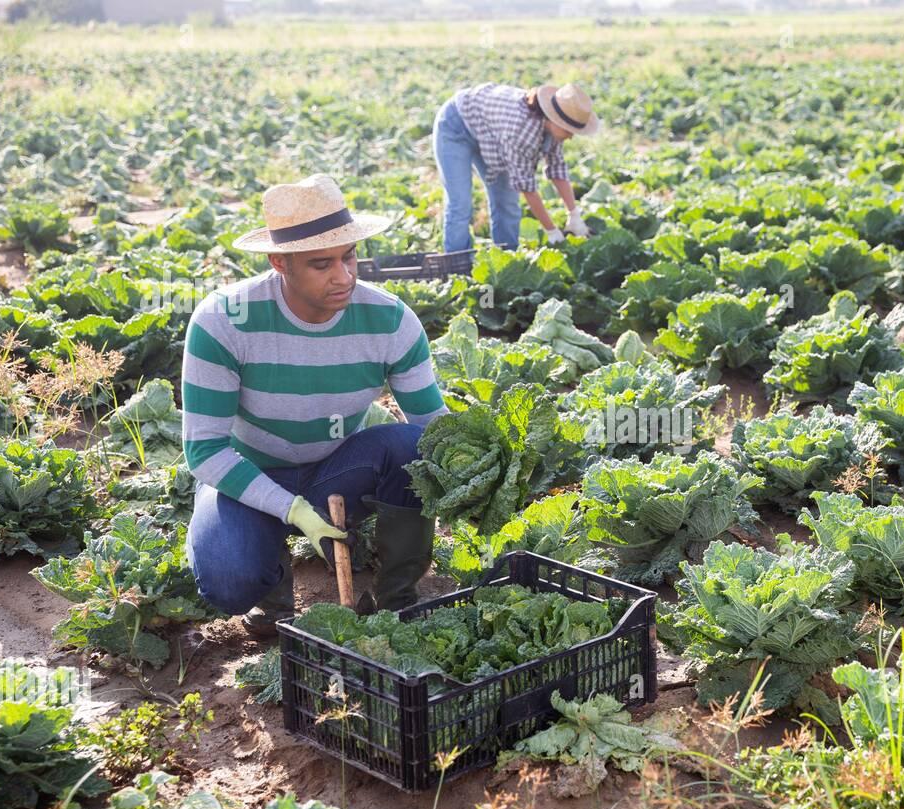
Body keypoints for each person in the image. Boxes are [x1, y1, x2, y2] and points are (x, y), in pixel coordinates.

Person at [182, 173, 448, 635]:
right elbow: (205, 450)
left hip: (338, 468)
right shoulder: (224, 321)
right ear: (279, 262)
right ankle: (272, 593)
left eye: (349, 257)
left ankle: (396, 597)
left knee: (417, 445)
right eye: (321, 264)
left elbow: (436, 425)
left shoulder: (390, 320)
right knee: (229, 580)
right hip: (253, 471)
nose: (343, 276)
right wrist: (295, 510)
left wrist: (486, 468)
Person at [432, 80, 599, 252]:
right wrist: (551, 230)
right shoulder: (520, 131)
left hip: (492, 134)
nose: (570, 136)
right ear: (553, 119)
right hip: (456, 125)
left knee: (507, 202)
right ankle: (457, 264)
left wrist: (574, 214)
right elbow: (527, 188)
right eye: (568, 130)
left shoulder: (553, 129)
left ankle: (506, 257)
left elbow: (558, 170)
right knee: (460, 202)